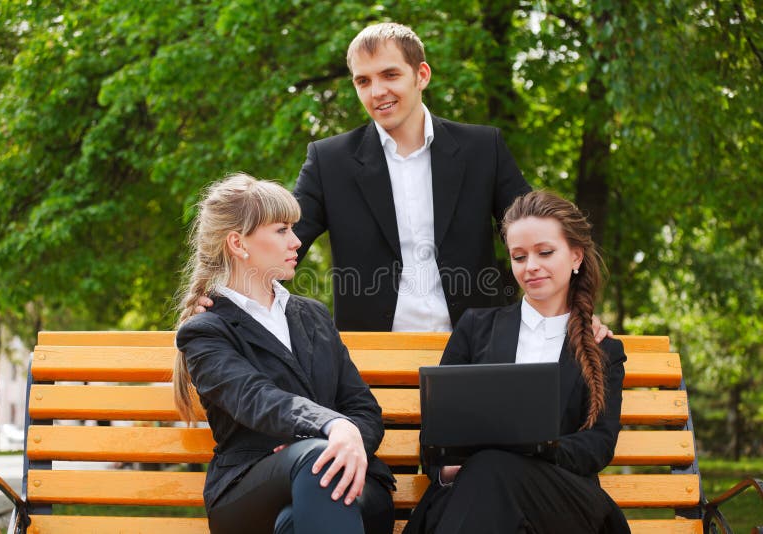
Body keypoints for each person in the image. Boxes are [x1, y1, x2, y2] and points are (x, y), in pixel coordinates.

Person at [174, 173, 395, 534]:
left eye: (293, 228)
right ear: (238, 243)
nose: (296, 241)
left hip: (349, 481)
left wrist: (350, 441)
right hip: (248, 490)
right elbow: (254, 397)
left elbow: (363, 408)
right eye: (281, 230)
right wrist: (329, 427)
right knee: (313, 462)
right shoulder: (206, 331)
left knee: (296, 516)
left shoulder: (313, 316)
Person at [404, 191, 630, 534]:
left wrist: (529, 449)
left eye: (545, 252)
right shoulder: (475, 329)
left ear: (576, 256)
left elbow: (597, 445)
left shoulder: (602, 348)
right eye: (519, 256)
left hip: (562, 502)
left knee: (492, 466)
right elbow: (437, 436)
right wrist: (448, 466)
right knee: (488, 475)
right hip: (473, 494)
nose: (531, 266)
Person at [291, 22, 532, 332]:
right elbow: (281, 241)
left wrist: (574, 310)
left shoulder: (484, 149)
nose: (377, 92)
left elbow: (538, 235)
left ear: (422, 75)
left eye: (390, 75)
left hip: (476, 349)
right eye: (363, 81)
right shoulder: (329, 161)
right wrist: (216, 292)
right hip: (372, 357)